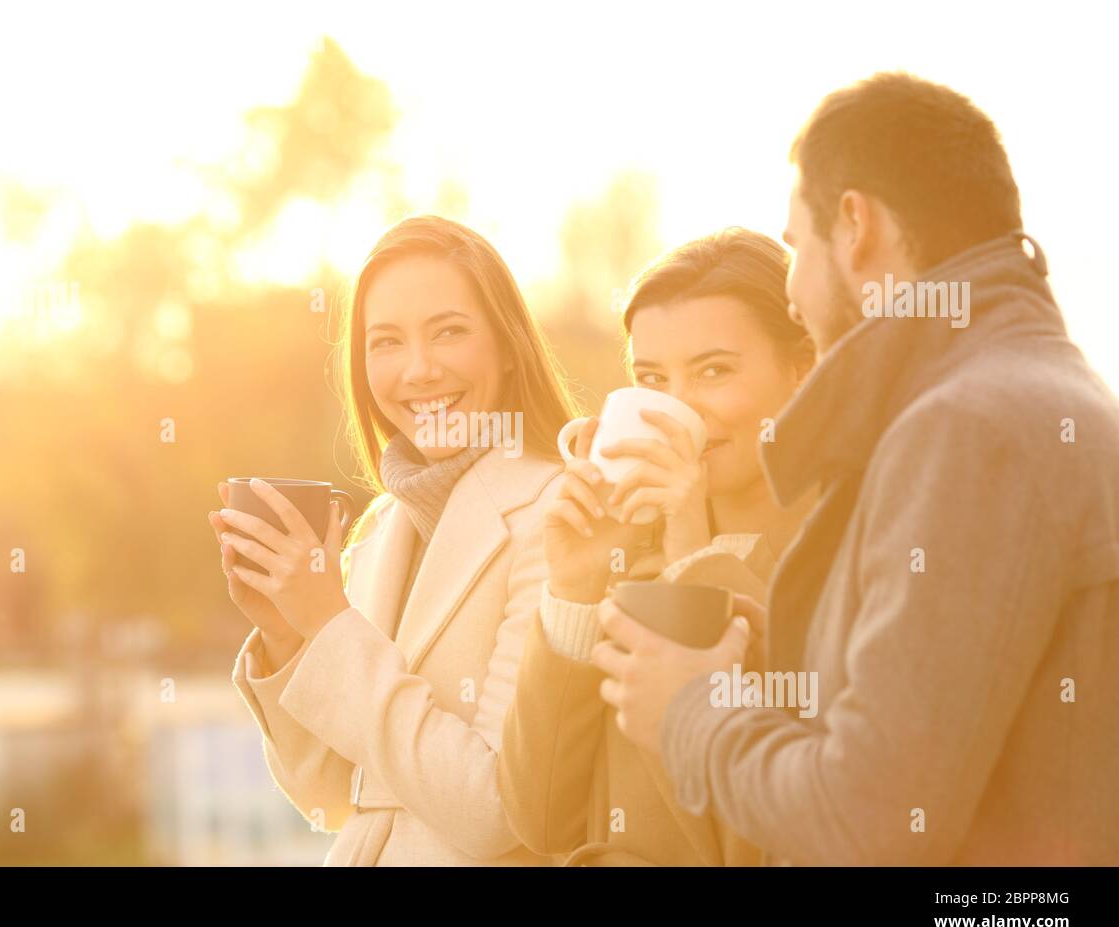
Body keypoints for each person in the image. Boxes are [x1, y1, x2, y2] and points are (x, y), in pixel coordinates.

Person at [594, 72, 1119, 865]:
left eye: (796, 247)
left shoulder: (968, 429)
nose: (795, 290)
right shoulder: (1036, 391)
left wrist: (691, 712)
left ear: (855, 228)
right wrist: (786, 655)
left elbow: (872, 823)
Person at [209, 215, 580, 865]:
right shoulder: (382, 529)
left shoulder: (558, 517)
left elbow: (496, 812)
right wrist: (290, 637)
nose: (418, 370)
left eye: (449, 332)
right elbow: (330, 797)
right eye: (386, 342)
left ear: (509, 344)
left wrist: (330, 626)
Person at [499, 228, 815, 865]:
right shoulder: (629, 571)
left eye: (714, 371)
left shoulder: (853, 559)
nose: (678, 410)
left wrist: (694, 558)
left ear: (802, 368)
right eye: (652, 379)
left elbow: (790, 828)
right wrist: (575, 591)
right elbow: (538, 816)